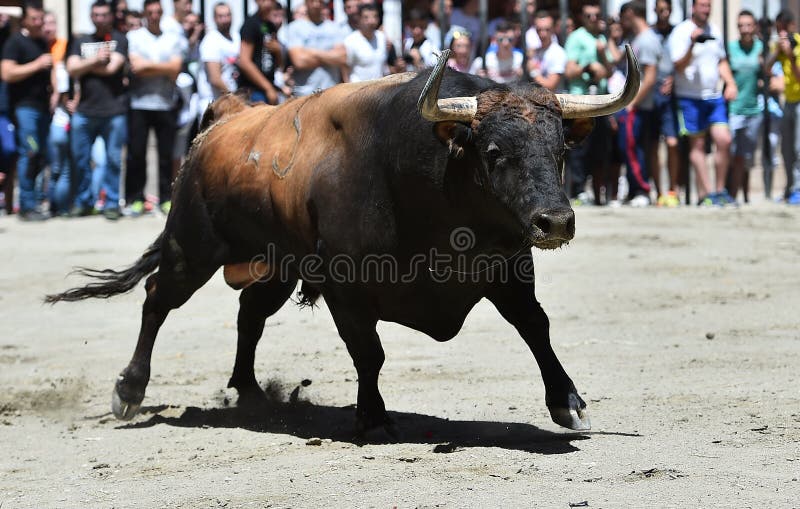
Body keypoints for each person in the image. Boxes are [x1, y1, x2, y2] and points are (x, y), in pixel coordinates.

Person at [669, 0, 737, 206]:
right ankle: (708, 194)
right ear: (693, 7)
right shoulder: (681, 32)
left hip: (714, 96)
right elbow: (678, 66)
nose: (706, 9)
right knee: (697, 145)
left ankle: (720, 190)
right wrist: (692, 44)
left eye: (708, 6)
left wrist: (731, 83)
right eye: (702, 5)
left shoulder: (714, 29)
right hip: (689, 97)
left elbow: (721, 60)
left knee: (724, 140)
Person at [67, 0, 129, 220]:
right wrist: (95, 60)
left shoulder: (120, 39)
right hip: (84, 111)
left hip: (113, 112)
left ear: (111, 16)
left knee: (113, 160)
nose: (99, 19)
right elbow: (71, 68)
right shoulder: (80, 40)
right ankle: (83, 202)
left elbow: (112, 68)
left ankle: (112, 203)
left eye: (103, 15)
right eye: (95, 15)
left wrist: (85, 66)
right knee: (79, 159)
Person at [125, 0, 184, 215]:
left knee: (166, 155)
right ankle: (136, 198)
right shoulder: (134, 37)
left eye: (158, 12)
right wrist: (164, 68)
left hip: (165, 104)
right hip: (139, 104)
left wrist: (149, 66)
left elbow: (176, 69)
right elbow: (136, 69)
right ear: (144, 14)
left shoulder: (173, 38)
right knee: (137, 153)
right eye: (150, 12)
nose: (154, 16)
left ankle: (166, 197)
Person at [1, 0, 52, 221]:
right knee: (29, 153)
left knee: (40, 156)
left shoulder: (41, 41)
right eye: (34, 19)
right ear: (24, 20)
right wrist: (37, 64)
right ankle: (26, 206)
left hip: (42, 109)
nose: (39, 22)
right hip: (24, 109)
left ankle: (36, 202)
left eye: (41, 18)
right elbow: (7, 73)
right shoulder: (15, 42)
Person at [563, 1, 614, 204]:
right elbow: (569, 71)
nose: (593, 19)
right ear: (582, 18)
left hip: (600, 102)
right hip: (581, 102)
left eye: (596, 15)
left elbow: (609, 71)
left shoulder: (601, 38)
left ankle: (598, 193)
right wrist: (587, 68)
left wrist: (601, 56)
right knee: (579, 150)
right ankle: (577, 191)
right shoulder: (576, 38)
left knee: (600, 150)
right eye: (589, 16)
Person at [616, 1, 660, 207]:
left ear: (631, 13)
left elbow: (650, 77)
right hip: (637, 105)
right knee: (631, 147)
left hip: (637, 106)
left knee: (632, 147)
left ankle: (641, 189)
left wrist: (631, 103)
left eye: (623, 17)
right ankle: (636, 190)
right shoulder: (637, 39)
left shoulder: (647, 40)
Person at [726, 10, 763, 204]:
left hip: (754, 109)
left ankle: (744, 195)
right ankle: (730, 194)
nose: (745, 29)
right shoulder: (730, 48)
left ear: (754, 26)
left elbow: (766, 75)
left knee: (746, 157)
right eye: (741, 26)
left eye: (749, 25)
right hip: (734, 108)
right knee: (732, 155)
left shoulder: (761, 48)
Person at [285, 0, 348, 97]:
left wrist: (312, 52)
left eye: (320, 1)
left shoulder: (334, 27)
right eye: (312, 1)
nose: (316, 4)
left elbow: (342, 58)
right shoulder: (294, 27)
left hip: (331, 94)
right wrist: (330, 57)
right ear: (306, 2)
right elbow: (299, 62)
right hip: (304, 96)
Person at [651, 0, 680, 207]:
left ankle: (673, 190)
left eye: (667, 9)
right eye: (661, 9)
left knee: (672, 143)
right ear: (655, 11)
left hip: (672, 95)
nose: (664, 13)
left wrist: (674, 78)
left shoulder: (678, 32)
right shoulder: (649, 34)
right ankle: (659, 193)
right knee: (653, 145)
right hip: (652, 94)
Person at [772, 9, 800, 205]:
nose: (780, 33)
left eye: (782, 28)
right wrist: (778, 51)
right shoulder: (780, 46)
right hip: (788, 102)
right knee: (787, 150)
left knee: (799, 148)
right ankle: (790, 188)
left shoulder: (798, 44)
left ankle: (799, 189)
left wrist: (791, 56)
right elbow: (766, 68)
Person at [198, 1, 239, 113]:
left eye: (228, 15)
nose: (225, 19)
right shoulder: (211, 40)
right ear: (214, 18)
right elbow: (215, 79)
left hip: (230, 102)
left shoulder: (236, 37)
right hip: (213, 104)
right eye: (221, 16)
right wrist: (235, 99)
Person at [237, 0, 281, 104]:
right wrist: (268, 88)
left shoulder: (271, 26)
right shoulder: (251, 24)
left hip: (270, 86)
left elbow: (278, 65)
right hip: (252, 90)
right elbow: (244, 62)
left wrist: (278, 51)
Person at [344, 4, 387, 82]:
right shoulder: (351, 40)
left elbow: (383, 67)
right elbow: (345, 69)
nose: (371, 21)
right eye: (366, 17)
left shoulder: (382, 38)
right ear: (359, 19)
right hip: (358, 91)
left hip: (379, 91)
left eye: (375, 17)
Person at [526, 10, 566, 91]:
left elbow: (550, 87)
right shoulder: (535, 52)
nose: (543, 34)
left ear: (553, 29)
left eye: (547, 29)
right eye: (539, 30)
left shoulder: (558, 53)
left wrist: (533, 72)